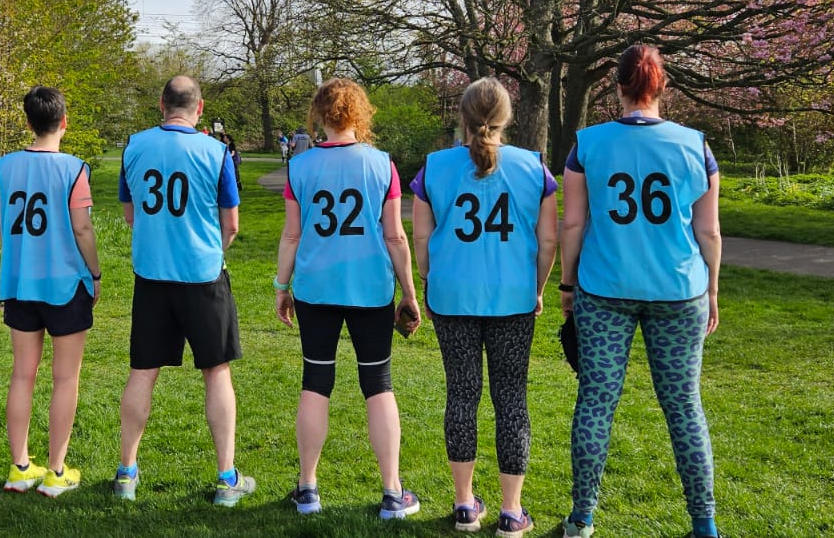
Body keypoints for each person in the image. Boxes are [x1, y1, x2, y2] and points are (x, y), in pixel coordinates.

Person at [558, 45, 723, 538]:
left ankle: (582, 518)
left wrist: (567, 285)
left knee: (596, 403)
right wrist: (713, 289)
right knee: (685, 408)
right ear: (662, 86)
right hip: (679, 291)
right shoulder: (696, 145)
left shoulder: (587, 144)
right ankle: (704, 522)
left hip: (605, 289)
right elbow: (709, 232)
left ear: (618, 86)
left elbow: (573, 224)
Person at [409, 77, 559, 535]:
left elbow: (420, 237)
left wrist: (429, 279)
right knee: (511, 399)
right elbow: (548, 239)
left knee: (462, 395)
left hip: (453, 296)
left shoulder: (434, 167)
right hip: (512, 297)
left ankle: (463, 504)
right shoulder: (534, 167)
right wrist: (538, 287)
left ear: (463, 115)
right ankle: (512, 512)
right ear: (507, 118)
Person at [273, 78, 423, 519]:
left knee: (316, 383)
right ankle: (393, 494)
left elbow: (292, 234)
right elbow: (395, 236)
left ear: (319, 115)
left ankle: (308, 490)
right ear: (360, 114)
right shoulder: (382, 164)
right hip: (370, 289)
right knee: (378, 386)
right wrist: (411, 293)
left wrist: (282, 287)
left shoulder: (299, 167)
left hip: (317, 288)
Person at [115, 76, 255, 506]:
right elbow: (230, 224)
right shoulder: (216, 152)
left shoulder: (134, 146)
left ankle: (126, 474)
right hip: (202, 276)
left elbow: (129, 212)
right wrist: (208, 247)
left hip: (152, 275)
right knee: (216, 371)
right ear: (200, 106)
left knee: (143, 370)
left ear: (161, 104)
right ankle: (226, 478)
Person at [0, 86, 102, 497]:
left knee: (22, 375)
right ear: (64, 122)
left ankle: (21, 467)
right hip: (64, 284)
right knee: (65, 379)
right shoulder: (74, 168)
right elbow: (82, 228)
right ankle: (56, 471)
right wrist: (94, 272)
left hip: (22, 282)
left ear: (28, 122)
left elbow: (4, 218)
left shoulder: (6, 166)